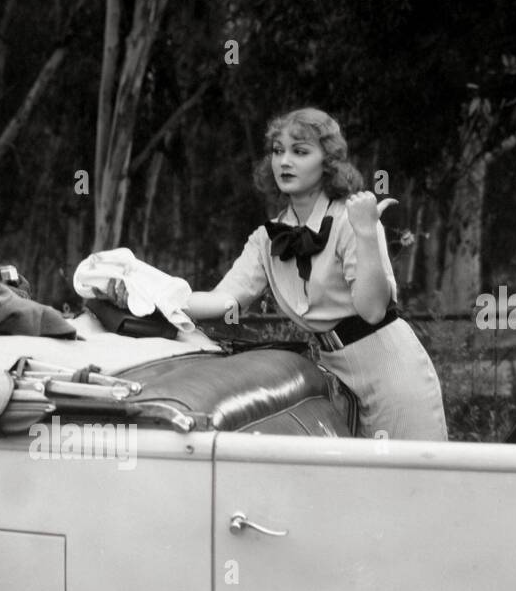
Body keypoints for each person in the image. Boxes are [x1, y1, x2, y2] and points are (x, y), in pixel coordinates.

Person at [116, 107, 447, 441]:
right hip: (336, 377)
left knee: (410, 485)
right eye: (277, 151)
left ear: (327, 161)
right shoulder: (267, 238)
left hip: (391, 369)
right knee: (355, 487)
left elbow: (373, 310)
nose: (284, 161)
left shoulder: (354, 219)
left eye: (300, 152)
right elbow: (223, 299)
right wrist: (151, 297)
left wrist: (365, 233)